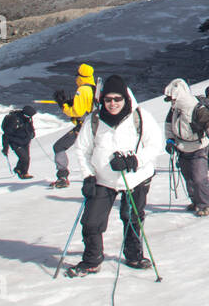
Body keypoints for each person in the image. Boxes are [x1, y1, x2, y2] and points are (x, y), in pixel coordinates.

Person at [65, 75, 164, 277]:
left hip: (135, 178)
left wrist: (135, 160)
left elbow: (155, 144)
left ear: (125, 98)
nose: (112, 104)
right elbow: (82, 150)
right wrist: (88, 176)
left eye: (117, 99)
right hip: (103, 179)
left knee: (132, 218)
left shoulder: (140, 116)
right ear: (102, 100)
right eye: (108, 99)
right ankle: (92, 260)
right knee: (92, 222)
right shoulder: (94, 120)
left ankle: (134, 256)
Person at [164, 78, 209, 216]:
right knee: (188, 176)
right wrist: (170, 141)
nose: (171, 101)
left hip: (198, 147)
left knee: (199, 177)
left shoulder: (196, 108)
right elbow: (168, 126)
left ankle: (204, 205)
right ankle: (196, 201)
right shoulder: (175, 109)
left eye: (172, 98)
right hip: (181, 147)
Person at [50, 63, 96, 188]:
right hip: (94, 126)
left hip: (84, 128)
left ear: (80, 76)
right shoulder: (94, 87)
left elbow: (77, 112)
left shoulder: (82, 90)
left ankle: (62, 177)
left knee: (59, 147)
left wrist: (63, 105)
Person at [1, 105, 37, 179]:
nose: (30, 117)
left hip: (25, 141)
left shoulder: (28, 118)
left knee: (26, 158)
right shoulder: (14, 120)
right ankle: (23, 174)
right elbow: (6, 135)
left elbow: (30, 128)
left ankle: (19, 170)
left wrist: (32, 134)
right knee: (24, 158)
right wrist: (5, 148)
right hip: (15, 142)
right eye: (29, 115)